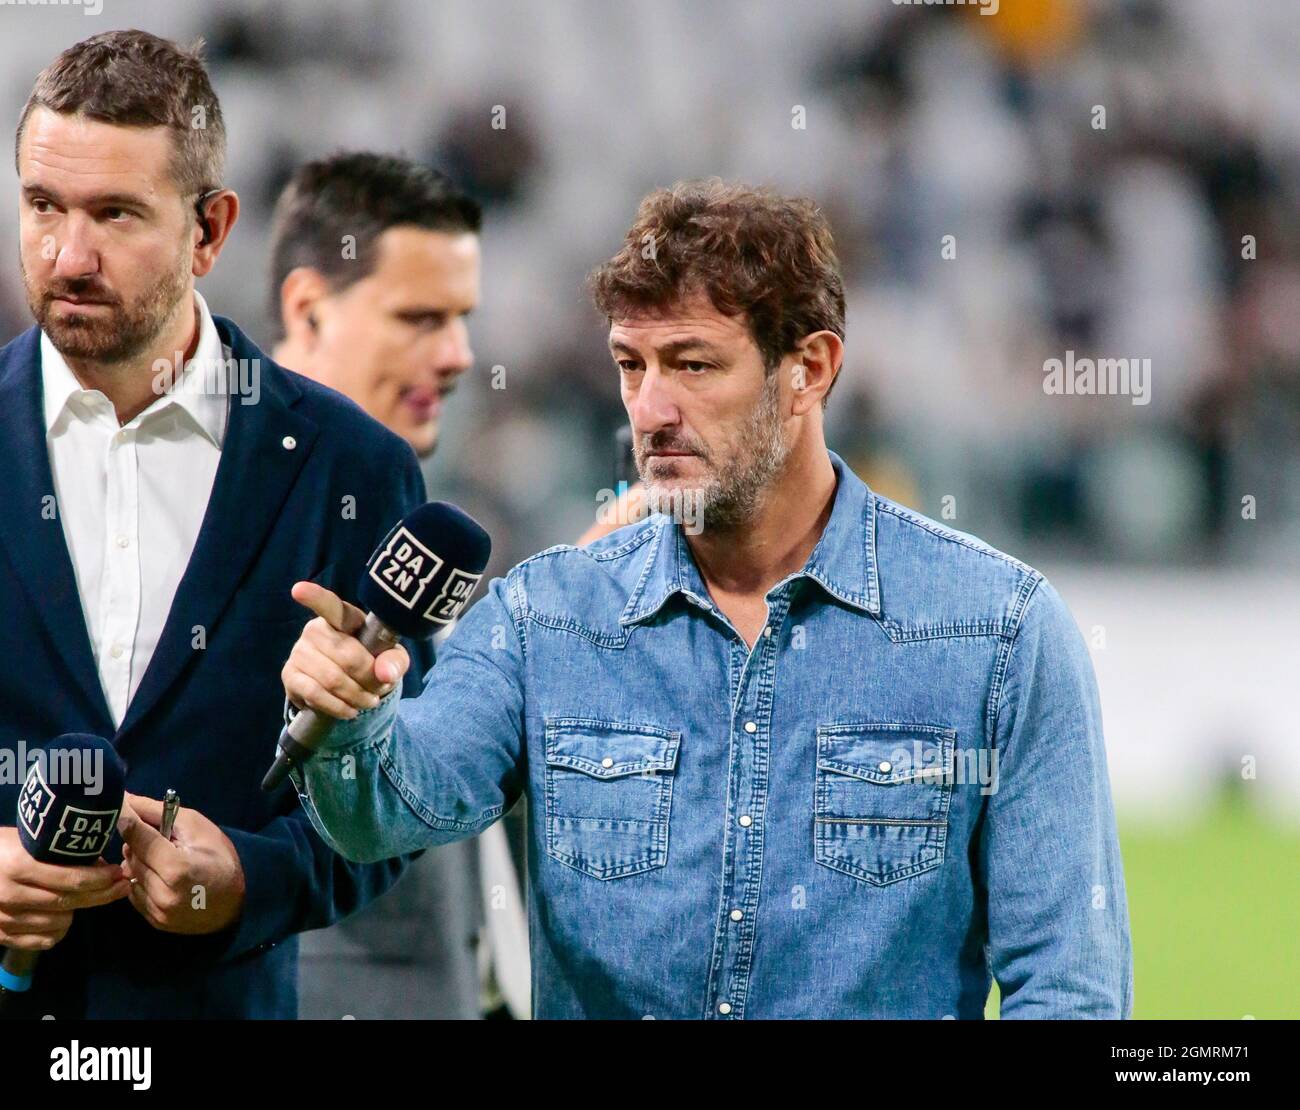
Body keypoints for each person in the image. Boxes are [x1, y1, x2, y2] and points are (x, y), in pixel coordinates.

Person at [279, 179, 1134, 1018]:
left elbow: (1068, 990)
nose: (650, 410)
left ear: (809, 369)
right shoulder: (545, 616)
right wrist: (350, 719)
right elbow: (389, 812)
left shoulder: (999, 631)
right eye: (630, 365)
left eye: (693, 364)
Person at [0, 30, 430, 1018]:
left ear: (210, 229)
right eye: (42, 207)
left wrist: (254, 881)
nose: (69, 254)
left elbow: (401, 797)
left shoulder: (350, 471)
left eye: (114, 214)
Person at [267, 152, 510, 1019]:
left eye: (462, 320)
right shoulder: (231, 509)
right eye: (419, 317)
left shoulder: (420, 518)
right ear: (308, 308)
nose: (457, 355)